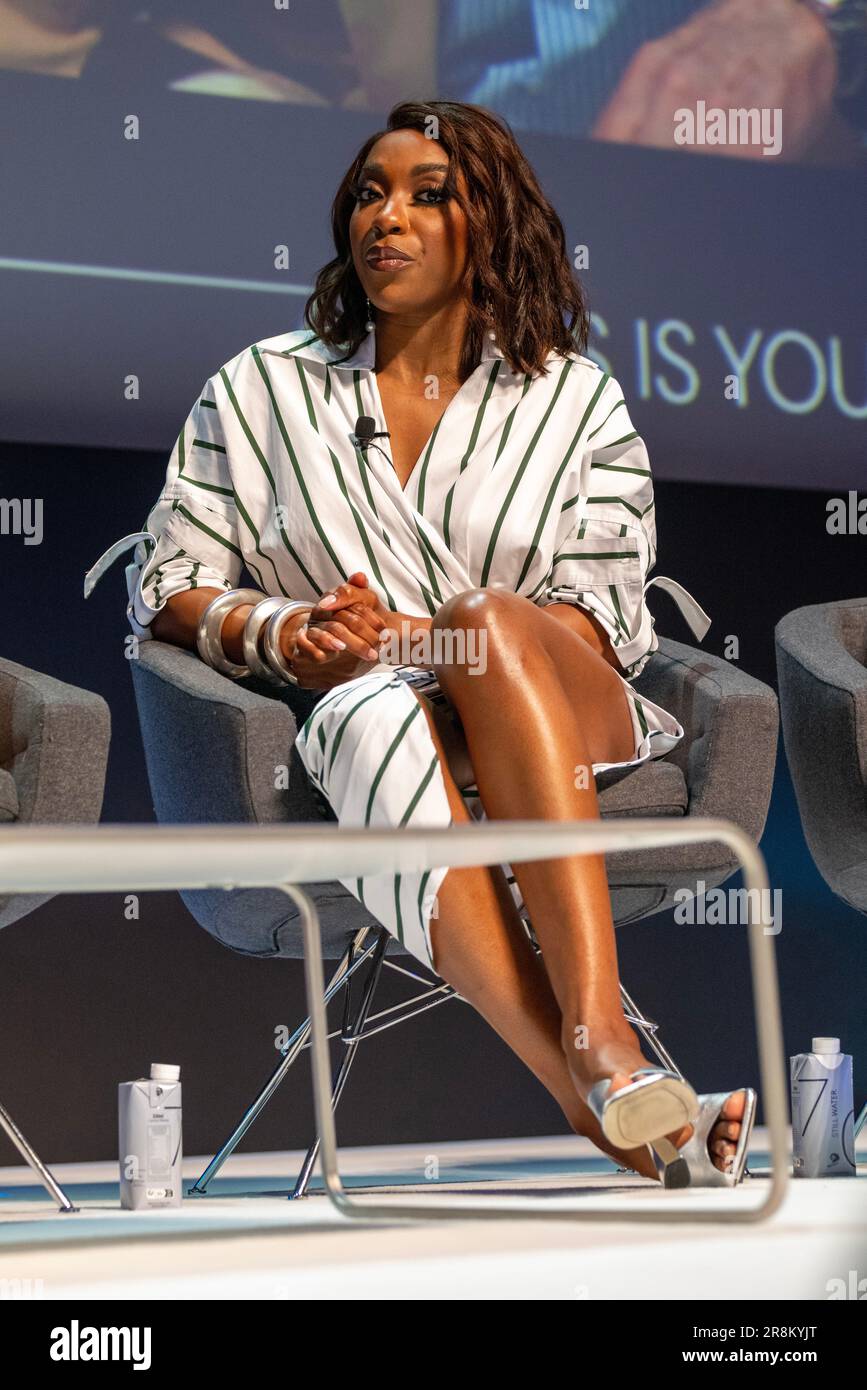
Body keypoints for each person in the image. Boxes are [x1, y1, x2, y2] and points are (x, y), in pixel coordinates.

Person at [90, 100, 752, 1187]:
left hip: (553, 695)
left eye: (426, 194)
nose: (385, 217)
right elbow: (169, 586)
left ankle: (597, 1036)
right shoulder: (261, 390)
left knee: (487, 624)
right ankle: (633, 1111)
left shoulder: (574, 397)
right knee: (365, 717)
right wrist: (283, 629)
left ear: (492, 224)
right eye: (369, 193)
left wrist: (425, 640)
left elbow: (597, 615)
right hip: (366, 708)